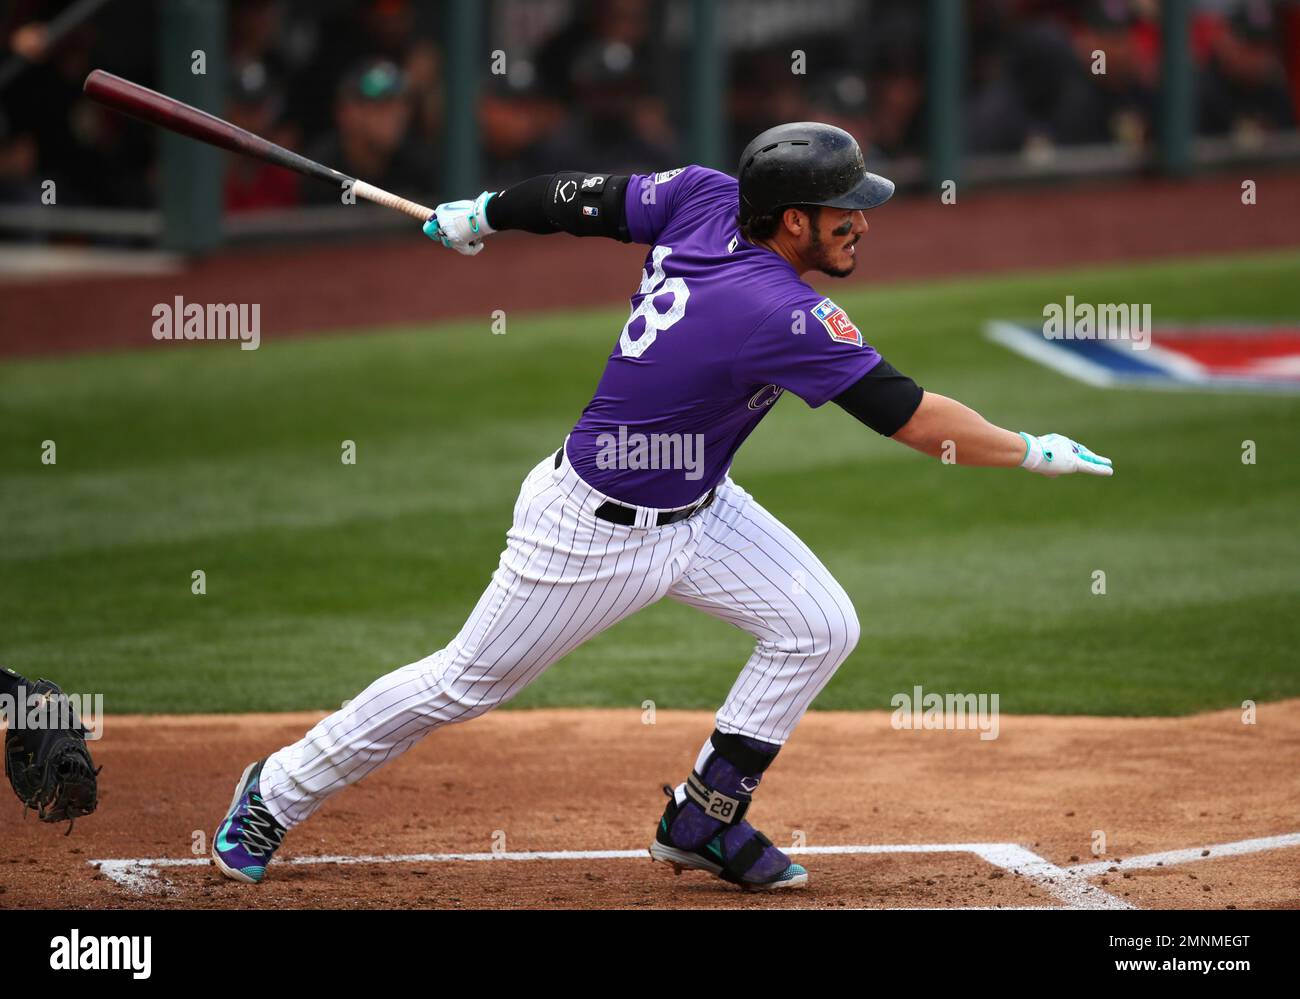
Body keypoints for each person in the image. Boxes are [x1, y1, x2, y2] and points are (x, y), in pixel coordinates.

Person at [211, 122, 1113, 891]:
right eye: (845, 211)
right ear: (792, 219)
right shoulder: (781, 315)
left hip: (702, 505)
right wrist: (1031, 450)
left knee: (818, 623)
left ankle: (705, 817)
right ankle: (275, 792)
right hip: (589, 533)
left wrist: (482, 213)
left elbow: (574, 200)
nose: (861, 224)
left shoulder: (702, 195)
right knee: (462, 683)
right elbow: (909, 417)